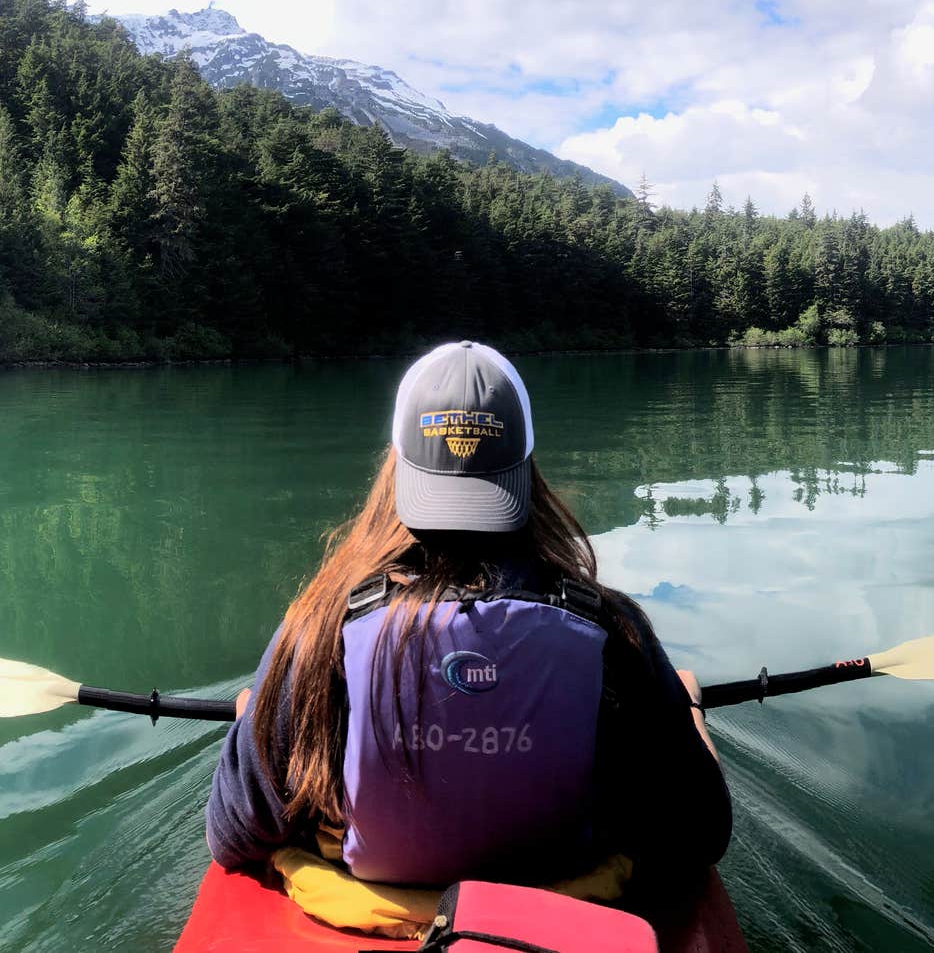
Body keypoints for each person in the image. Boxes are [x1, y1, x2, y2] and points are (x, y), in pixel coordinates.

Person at [206, 340, 731, 895]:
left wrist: (253, 719)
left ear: (396, 467)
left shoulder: (322, 626)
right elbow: (701, 833)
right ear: (527, 470)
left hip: (377, 900)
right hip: (565, 902)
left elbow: (233, 836)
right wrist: (690, 713)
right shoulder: (611, 628)